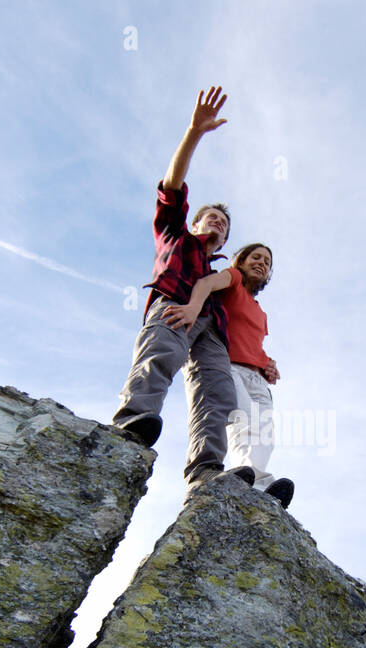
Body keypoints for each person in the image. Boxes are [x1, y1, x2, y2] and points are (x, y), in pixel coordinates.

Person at [112, 86, 253, 489]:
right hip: (175, 301)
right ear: (195, 223)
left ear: (225, 243)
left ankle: (205, 471)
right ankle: (131, 424)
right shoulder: (175, 234)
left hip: (213, 329)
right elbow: (172, 186)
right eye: (211, 218)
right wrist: (194, 133)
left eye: (223, 225)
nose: (217, 224)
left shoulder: (221, 277)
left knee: (219, 395)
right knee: (160, 356)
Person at [167, 243, 295, 508]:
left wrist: (268, 363)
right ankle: (242, 477)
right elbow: (204, 284)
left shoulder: (261, 312)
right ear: (242, 261)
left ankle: (258, 485)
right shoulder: (233, 279)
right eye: (255, 257)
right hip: (227, 365)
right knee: (242, 421)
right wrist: (191, 308)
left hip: (257, 377)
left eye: (267, 262)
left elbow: (252, 342)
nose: (261, 263)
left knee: (265, 434)